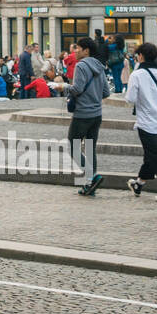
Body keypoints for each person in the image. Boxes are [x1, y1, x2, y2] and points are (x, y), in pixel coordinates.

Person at [124, 42, 157, 202]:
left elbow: (131, 98)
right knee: (151, 155)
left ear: (140, 56)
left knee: (154, 154)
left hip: (146, 122)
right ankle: (139, 184)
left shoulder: (137, 75)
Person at [56, 38, 107, 196]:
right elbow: (106, 92)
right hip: (97, 114)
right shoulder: (99, 66)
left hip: (82, 114)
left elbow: (77, 89)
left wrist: (63, 86)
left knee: (73, 147)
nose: (75, 51)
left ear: (86, 51)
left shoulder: (81, 66)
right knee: (90, 148)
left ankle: (93, 176)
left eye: (77, 48)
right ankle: (90, 184)